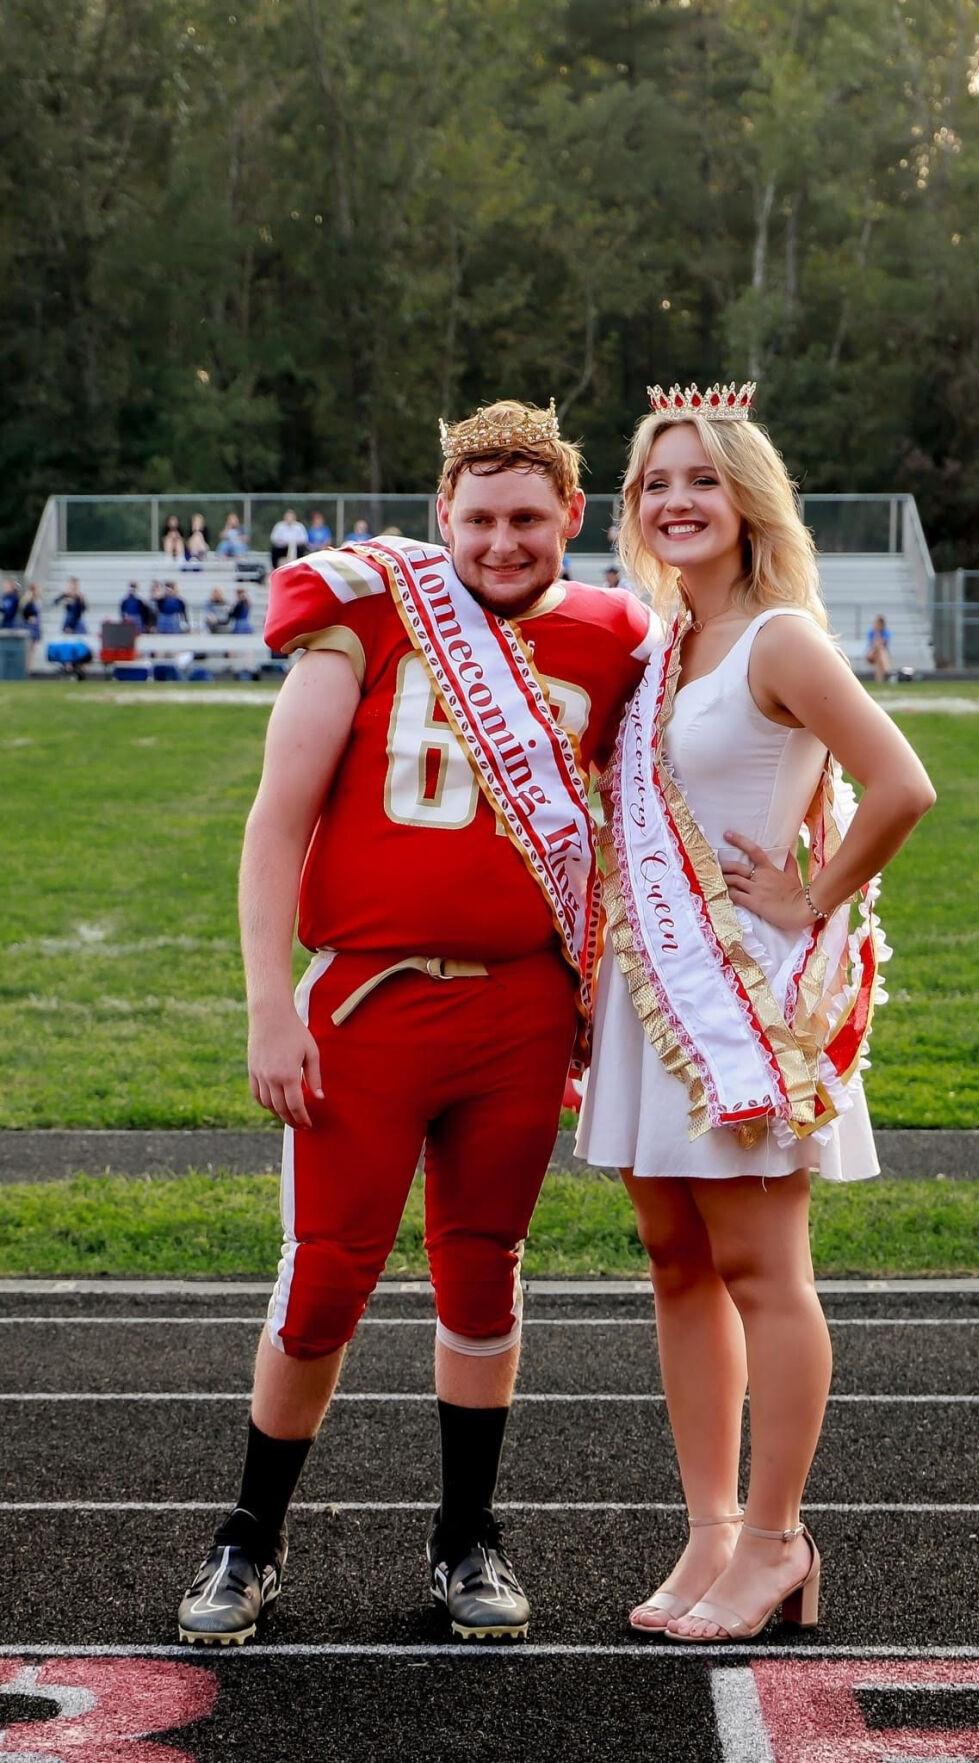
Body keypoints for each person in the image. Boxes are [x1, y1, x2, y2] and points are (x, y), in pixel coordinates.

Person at [176, 398, 659, 1649]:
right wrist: (269, 1000)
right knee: (325, 1276)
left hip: (521, 1006)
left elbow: (650, 820)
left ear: (573, 519)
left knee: (483, 1266)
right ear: (441, 515)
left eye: (529, 518)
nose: (504, 541)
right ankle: (250, 1531)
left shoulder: (615, 635)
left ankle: (464, 1534)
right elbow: (276, 819)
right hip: (371, 1003)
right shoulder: (368, 609)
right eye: (481, 516)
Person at [576, 380, 935, 1645]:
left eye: (701, 480)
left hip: (739, 1001)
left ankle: (779, 1539)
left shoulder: (782, 638)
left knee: (762, 1272)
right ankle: (712, 1528)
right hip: (658, 998)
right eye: (656, 483)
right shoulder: (667, 643)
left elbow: (904, 781)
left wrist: (809, 893)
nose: (677, 501)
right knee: (678, 1267)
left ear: (748, 498)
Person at [866, 615, 893, 684]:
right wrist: (877, 632)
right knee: (880, 650)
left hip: (878, 654)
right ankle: (887, 670)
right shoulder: (871, 632)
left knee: (880, 654)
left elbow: (884, 643)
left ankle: (879, 680)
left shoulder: (886, 632)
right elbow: (873, 644)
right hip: (871, 655)